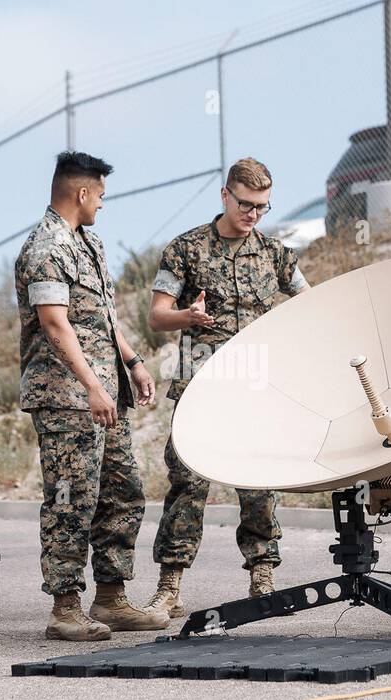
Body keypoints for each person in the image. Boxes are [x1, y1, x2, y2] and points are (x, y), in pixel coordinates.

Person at [144, 157, 310, 618]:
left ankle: (263, 575)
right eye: (245, 204)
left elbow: (312, 303)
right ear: (225, 195)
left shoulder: (276, 255)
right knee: (188, 484)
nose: (253, 214)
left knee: (258, 482)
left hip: (255, 389)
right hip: (199, 388)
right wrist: (187, 317)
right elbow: (157, 316)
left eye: (262, 206)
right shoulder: (186, 250)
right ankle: (170, 586)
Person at [14, 150, 168, 641]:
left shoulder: (89, 243)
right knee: (70, 500)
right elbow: (56, 326)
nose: (102, 204)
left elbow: (99, 316)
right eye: (100, 195)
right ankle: (64, 609)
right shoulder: (45, 248)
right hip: (66, 398)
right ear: (81, 193)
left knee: (123, 493)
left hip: (104, 395)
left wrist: (132, 361)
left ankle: (110, 599)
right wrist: (92, 386)